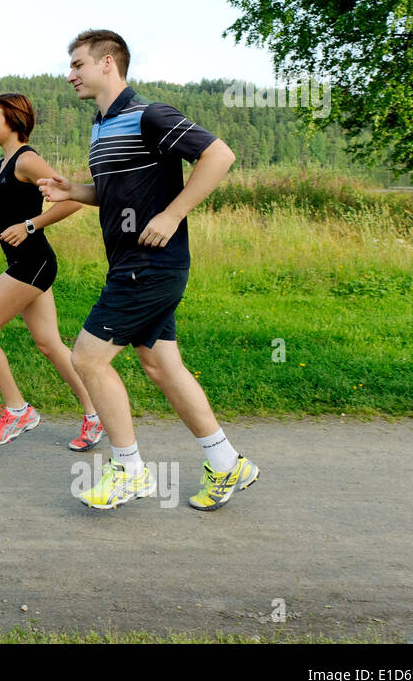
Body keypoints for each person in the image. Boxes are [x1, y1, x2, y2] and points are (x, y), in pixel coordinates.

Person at [40, 29, 259, 511]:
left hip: (150, 263)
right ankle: (227, 463)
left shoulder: (150, 114)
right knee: (161, 364)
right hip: (135, 263)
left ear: (108, 64)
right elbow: (115, 192)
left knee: (89, 359)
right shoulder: (100, 125)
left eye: (78, 64)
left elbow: (219, 154)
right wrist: (73, 190)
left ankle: (129, 471)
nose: (70, 74)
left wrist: (173, 213)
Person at [0, 92, 101, 448]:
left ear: (13, 121)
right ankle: (96, 414)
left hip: (32, 263)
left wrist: (31, 225)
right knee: (49, 344)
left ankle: (18, 410)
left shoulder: (28, 161)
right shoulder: (0, 166)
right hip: (23, 263)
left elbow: (73, 198)